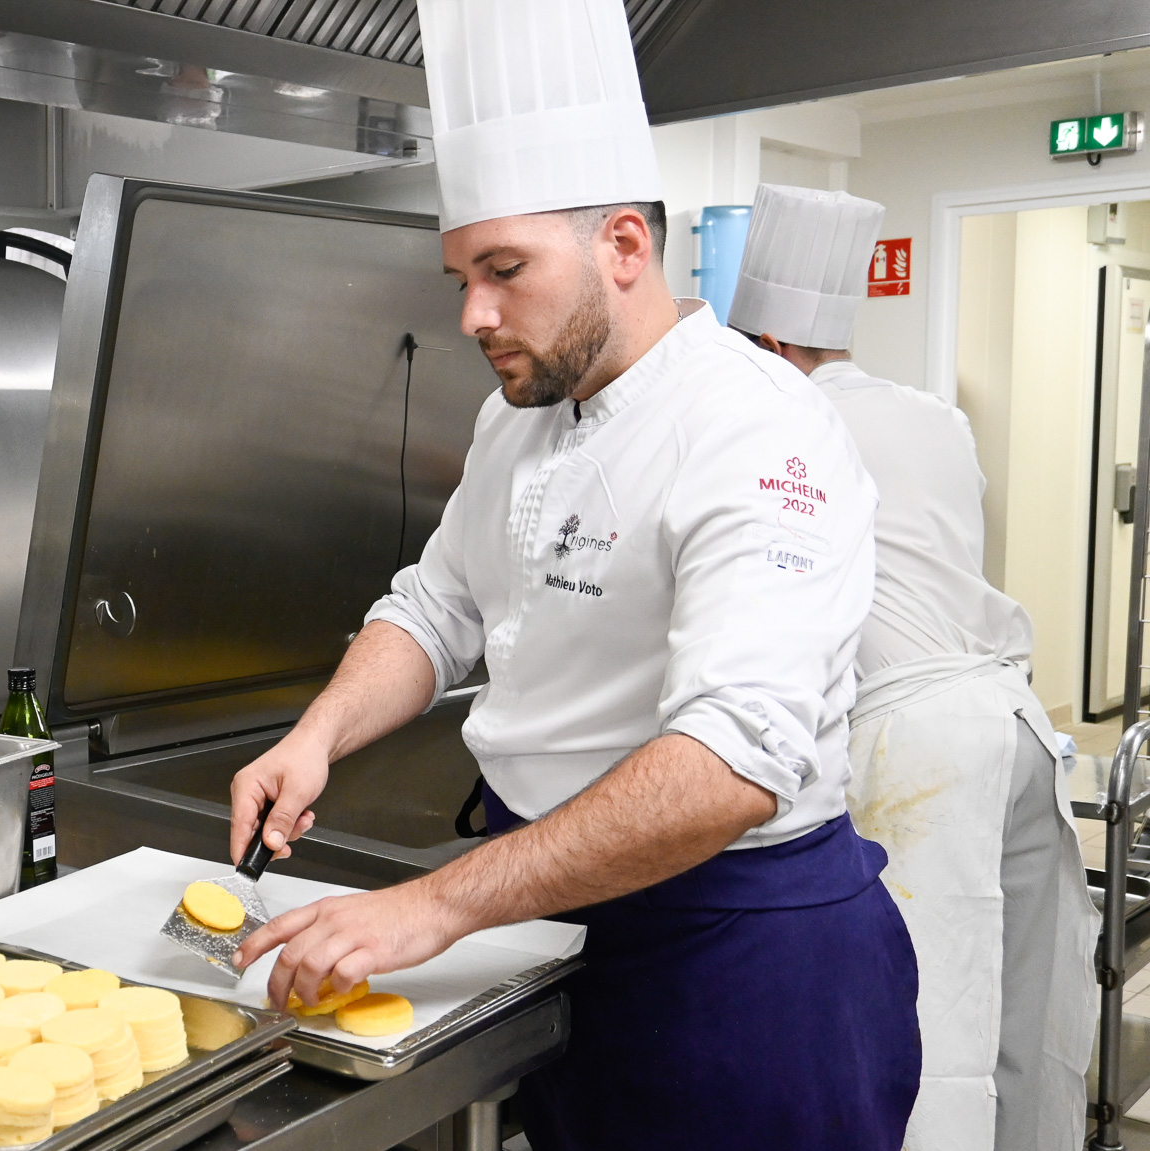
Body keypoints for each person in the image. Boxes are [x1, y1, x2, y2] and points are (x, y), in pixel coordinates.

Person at [225, 2, 921, 1147]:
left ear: (623, 247)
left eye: (503, 270)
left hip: (730, 957)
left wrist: (437, 901)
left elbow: (731, 759)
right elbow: (434, 604)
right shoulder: (521, 420)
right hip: (556, 925)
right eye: (458, 275)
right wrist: (315, 736)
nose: (470, 315)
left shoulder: (754, 429)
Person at [728, 183, 1097, 1151]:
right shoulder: (932, 414)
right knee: (1018, 1002)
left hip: (916, 746)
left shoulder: (776, 421)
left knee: (926, 1018)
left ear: (767, 347)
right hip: (1011, 725)